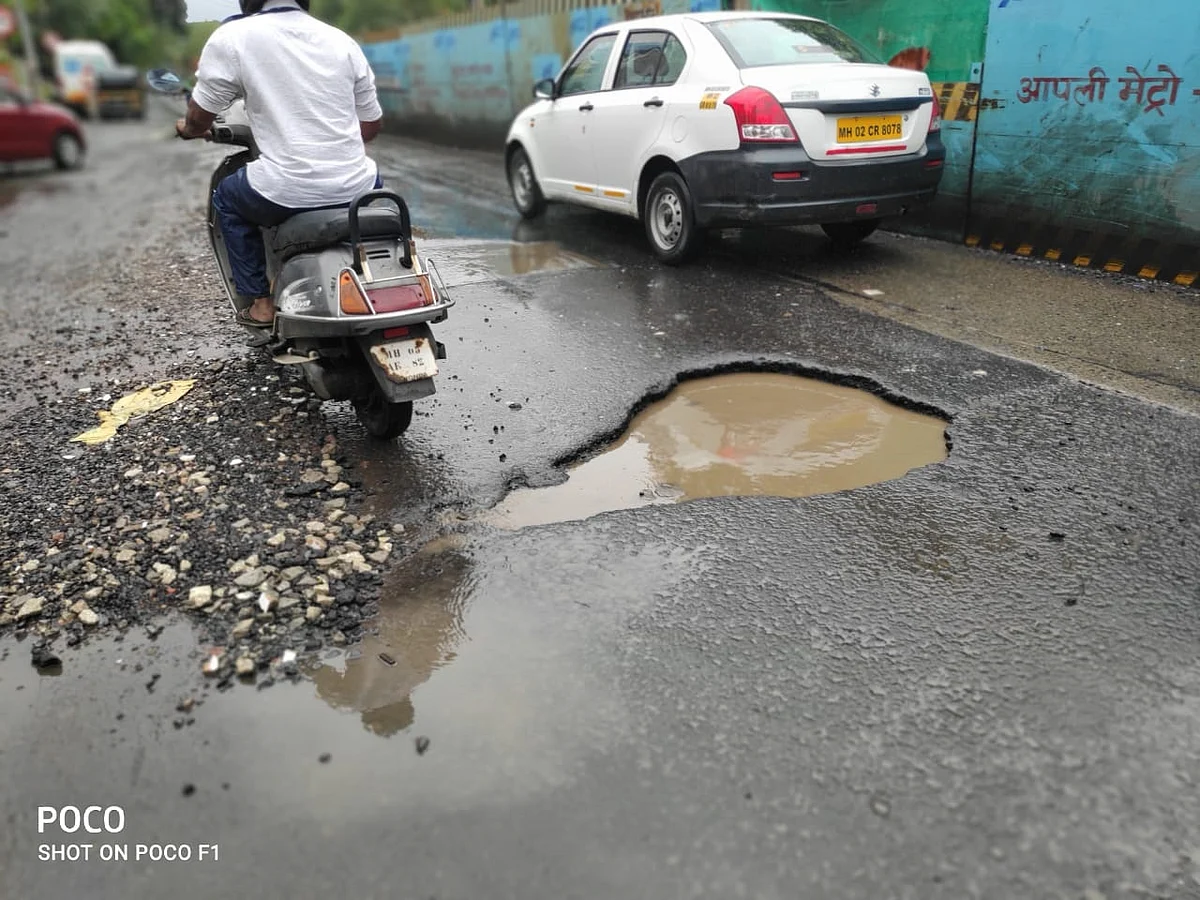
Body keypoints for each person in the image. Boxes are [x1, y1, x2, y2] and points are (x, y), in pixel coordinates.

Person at [175, 0, 384, 327]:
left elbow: (200, 114)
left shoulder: (234, 36)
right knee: (370, 186)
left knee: (227, 198)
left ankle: (261, 304)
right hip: (361, 187)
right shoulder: (342, 41)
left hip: (285, 191)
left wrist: (189, 129)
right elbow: (370, 126)